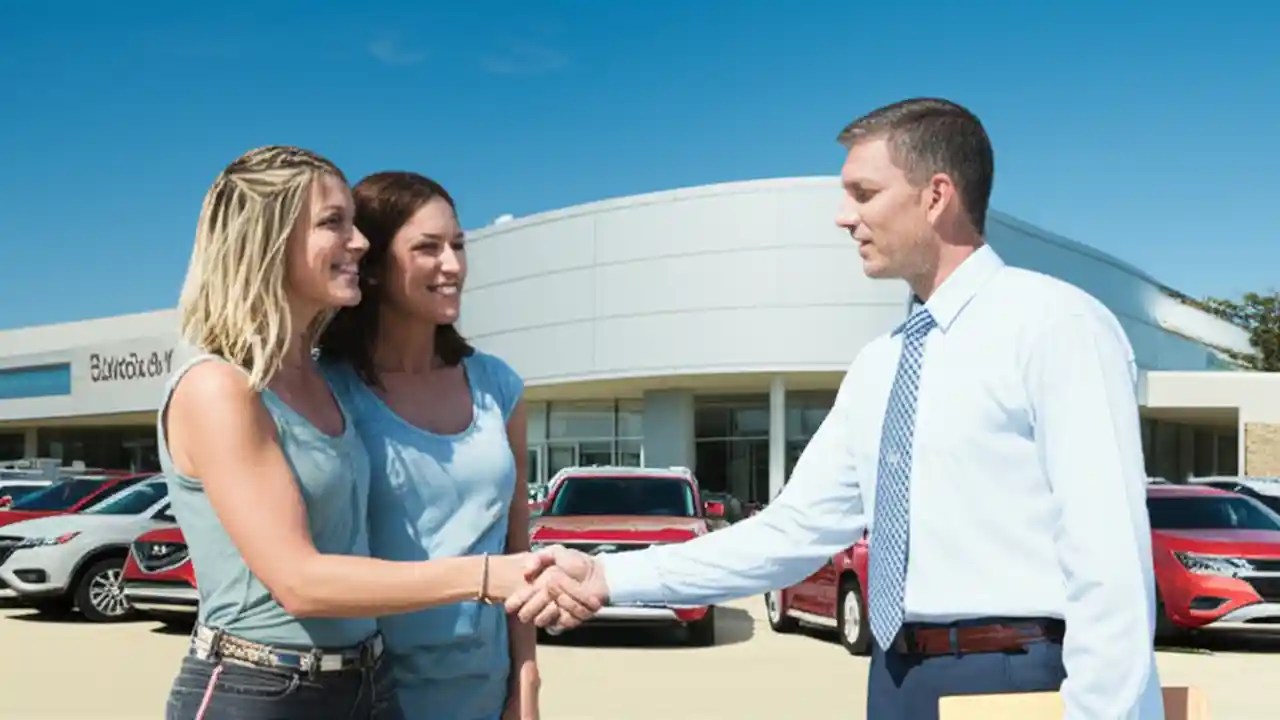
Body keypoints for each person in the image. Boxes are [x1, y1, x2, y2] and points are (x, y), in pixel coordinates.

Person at [508, 98, 1167, 719]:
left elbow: (1109, 561)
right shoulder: (881, 365)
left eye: (863, 193)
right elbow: (790, 534)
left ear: (936, 196)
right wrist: (606, 576)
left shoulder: (1056, 325)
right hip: (897, 680)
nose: (843, 216)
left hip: (1017, 679)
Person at [162, 147, 581, 720]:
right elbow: (299, 580)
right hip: (259, 685)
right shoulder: (220, 386)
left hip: (364, 681)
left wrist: (523, 676)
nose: (357, 241)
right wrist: (486, 577)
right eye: (334, 223)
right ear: (267, 238)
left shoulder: (314, 379)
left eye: (458, 245)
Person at [316, 171, 541, 720]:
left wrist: (527, 683)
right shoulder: (328, 390)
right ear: (372, 265)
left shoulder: (499, 386)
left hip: (484, 690)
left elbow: (517, 549)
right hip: (368, 692)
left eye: (459, 246)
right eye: (428, 248)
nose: (454, 266)